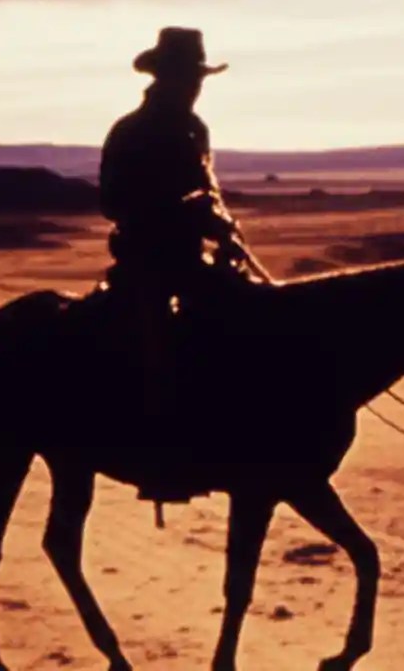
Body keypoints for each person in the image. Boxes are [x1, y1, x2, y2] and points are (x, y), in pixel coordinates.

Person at [96, 27, 266, 504]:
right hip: (146, 260)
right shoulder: (131, 130)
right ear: (164, 77)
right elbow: (112, 202)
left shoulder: (196, 130)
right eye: (187, 77)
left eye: (198, 77)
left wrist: (223, 227)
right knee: (160, 342)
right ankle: (160, 456)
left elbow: (209, 193)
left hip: (193, 259)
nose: (195, 86)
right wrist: (176, 210)